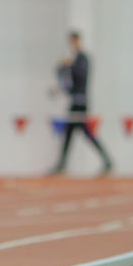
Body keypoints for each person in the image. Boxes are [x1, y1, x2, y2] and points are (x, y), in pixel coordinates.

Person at [50, 31, 113, 176]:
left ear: (79, 41)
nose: (72, 44)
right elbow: (60, 74)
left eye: (74, 41)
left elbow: (80, 76)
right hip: (74, 101)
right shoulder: (72, 58)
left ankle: (106, 161)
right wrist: (64, 65)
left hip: (80, 102)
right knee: (70, 134)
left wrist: (69, 65)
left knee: (84, 133)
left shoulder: (83, 58)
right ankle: (62, 164)